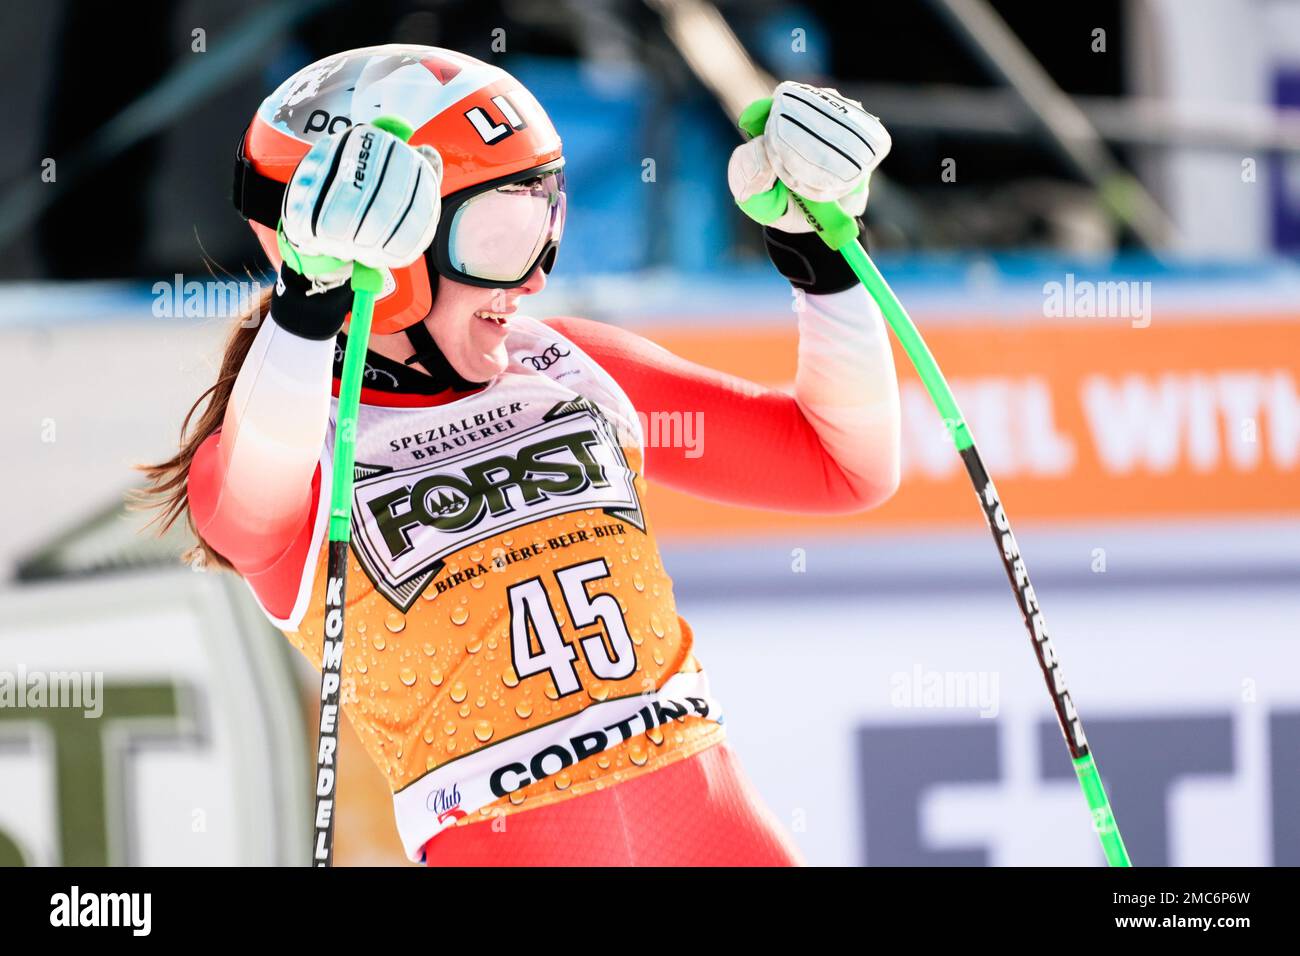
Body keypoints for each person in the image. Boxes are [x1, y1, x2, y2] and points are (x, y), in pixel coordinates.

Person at [139, 44, 900, 866]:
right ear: (384, 257)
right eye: (499, 235)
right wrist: (310, 299)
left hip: (715, 825)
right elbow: (249, 506)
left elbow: (840, 464)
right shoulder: (295, 442)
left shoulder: (570, 363)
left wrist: (823, 263)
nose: (533, 278)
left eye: (544, 220)